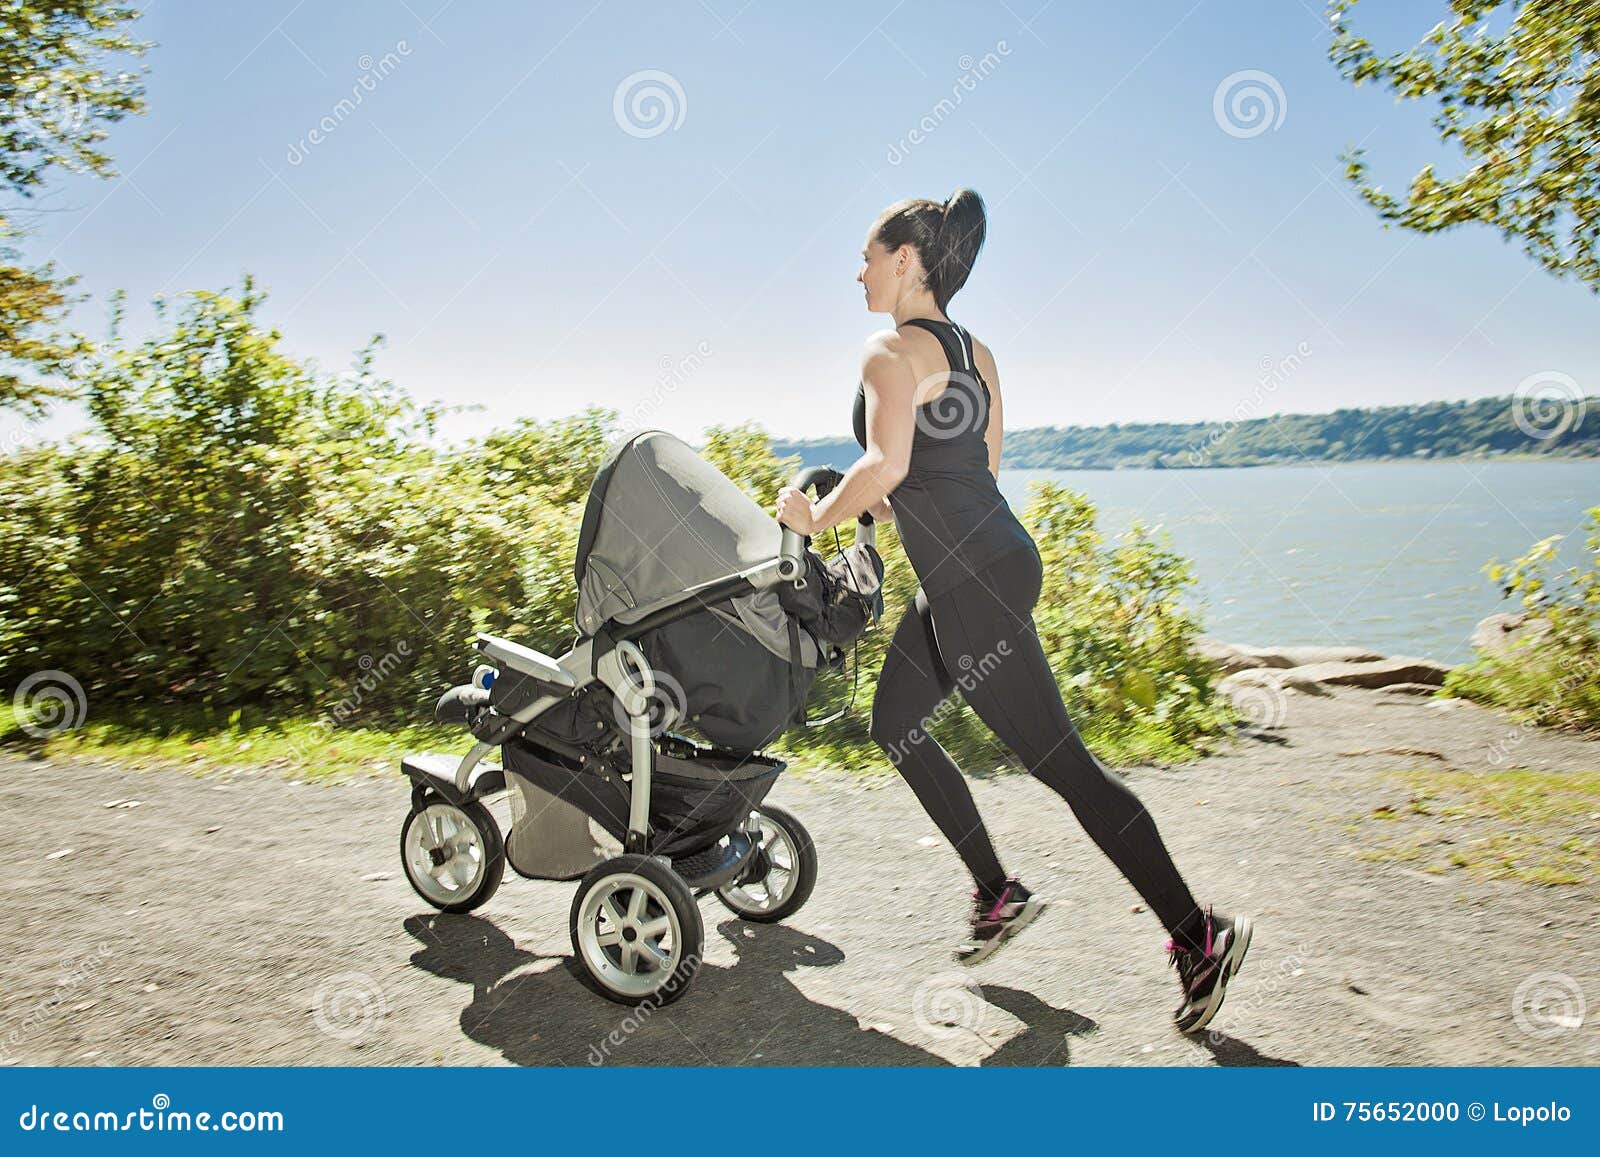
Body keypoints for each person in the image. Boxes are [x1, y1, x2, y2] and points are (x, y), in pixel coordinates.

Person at [774, 189, 1251, 1034]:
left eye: (867, 256)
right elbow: (962, 474)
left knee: (1064, 764)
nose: (857, 272)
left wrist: (814, 518)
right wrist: (862, 499)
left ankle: (1197, 934)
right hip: (989, 561)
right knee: (897, 722)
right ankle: (997, 892)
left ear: (907, 261)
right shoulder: (975, 351)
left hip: (972, 582)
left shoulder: (887, 350)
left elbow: (885, 467)